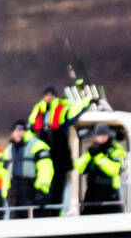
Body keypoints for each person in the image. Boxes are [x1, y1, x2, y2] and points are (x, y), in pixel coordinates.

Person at [28, 83, 92, 211]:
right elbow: (31, 127)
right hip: (45, 153)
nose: (48, 97)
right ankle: (47, 209)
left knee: (59, 184)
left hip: (59, 153)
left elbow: (74, 112)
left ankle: (58, 209)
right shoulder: (38, 110)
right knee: (46, 185)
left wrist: (86, 101)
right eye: (46, 95)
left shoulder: (62, 107)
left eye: (51, 95)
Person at [0, 119, 53, 216]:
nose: (18, 133)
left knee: (35, 221)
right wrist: (6, 192)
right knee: (16, 224)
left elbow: (46, 168)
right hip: (14, 192)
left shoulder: (37, 145)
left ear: (26, 131)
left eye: (21, 130)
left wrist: (42, 190)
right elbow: (5, 173)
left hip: (32, 190)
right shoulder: (8, 150)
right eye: (16, 131)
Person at [74, 123, 125, 214]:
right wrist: (89, 155)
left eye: (104, 135)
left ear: (108, 135)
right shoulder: (92, 150)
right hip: (92, 195)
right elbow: (78, 167)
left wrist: (98, 157)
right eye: (99, 135)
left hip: (110, 195)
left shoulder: (115, 150)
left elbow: (113, 170)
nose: (101, 138)